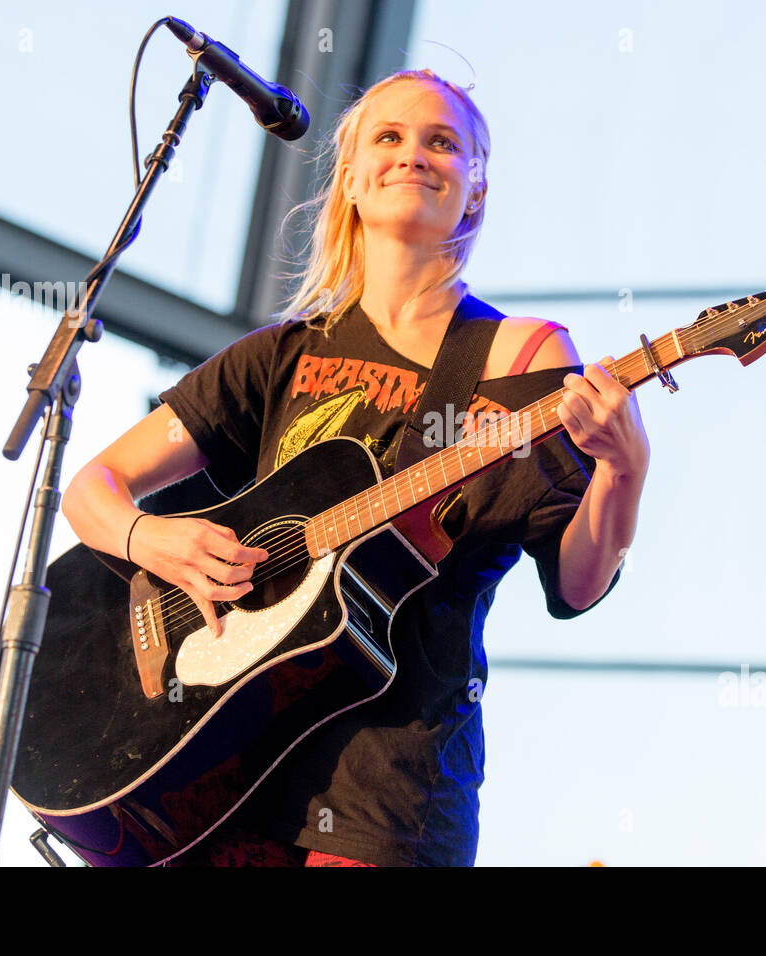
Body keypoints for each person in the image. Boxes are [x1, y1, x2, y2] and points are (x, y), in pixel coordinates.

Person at [60, 68, 650, 866]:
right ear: (351, 181)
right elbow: (93, 490)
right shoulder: (281, 355)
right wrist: (153, 542)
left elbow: (577, 584)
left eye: (444, 142)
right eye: (391, 137)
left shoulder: (521, 356)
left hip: (387, 799)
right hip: (216, 774)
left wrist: (626, 469)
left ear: (473, 191)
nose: (415, 154)